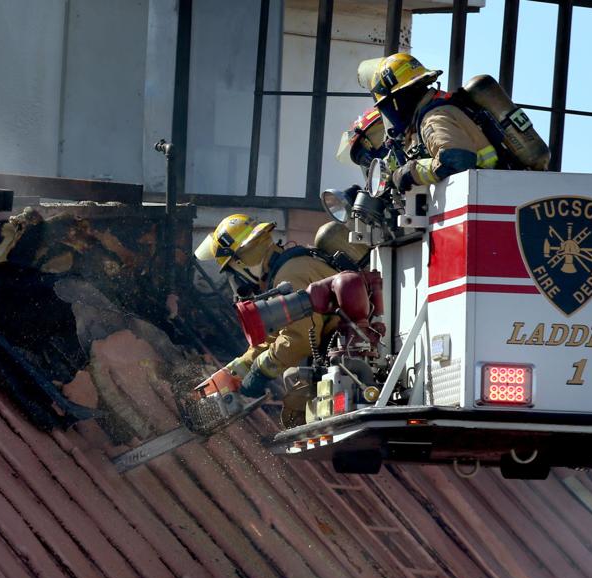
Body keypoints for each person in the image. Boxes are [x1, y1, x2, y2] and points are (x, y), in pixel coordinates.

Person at [194, 214, 344, 427]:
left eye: (232, 271)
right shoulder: (287, 270)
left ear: (242, 262)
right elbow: (274, 337)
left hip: (348, 355)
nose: (235, 280)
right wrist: (234, 371)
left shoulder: (289, 276)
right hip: (342, 350)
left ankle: (324, 429)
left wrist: (261, 370)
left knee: (296, 380)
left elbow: (299, 338)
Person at [366, 53, 500, 193]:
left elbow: (456, 160)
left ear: (399, 99)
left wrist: (411, 172)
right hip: (488, 189)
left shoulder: (433, 119)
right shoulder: (431, 116)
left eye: (388, 106)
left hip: (488, 192)